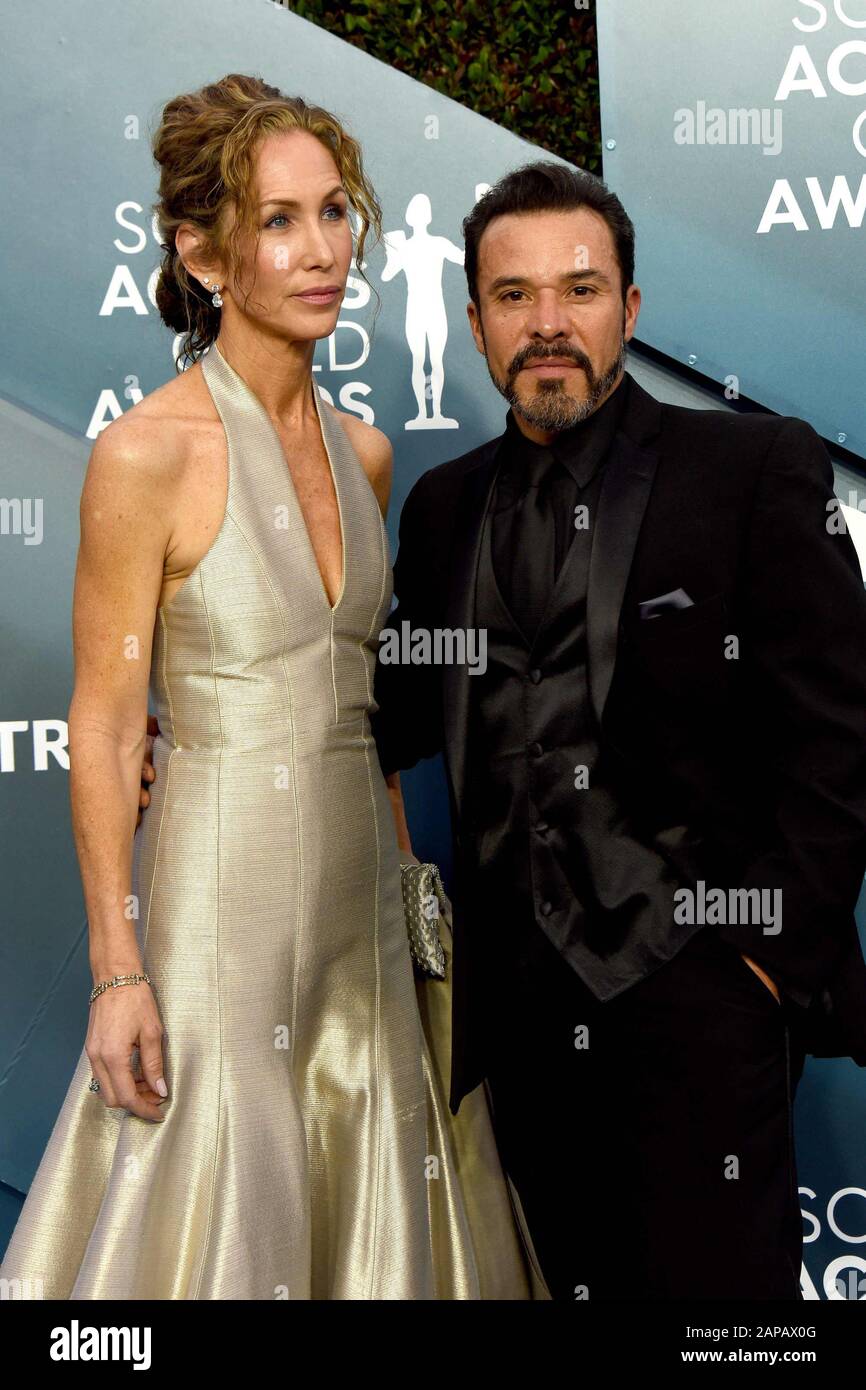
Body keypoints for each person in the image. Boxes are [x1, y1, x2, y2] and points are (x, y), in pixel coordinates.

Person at [0, 76, 546, 1301]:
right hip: (217, 884)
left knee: (372, 1175)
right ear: (201, 253)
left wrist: (412, 894)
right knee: (215, 1180)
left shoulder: (366, 450)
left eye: (334, 212)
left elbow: (358, 702)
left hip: (363, 881)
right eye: (278, 221)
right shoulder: (146, 452)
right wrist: (117, 967)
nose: (322, 252)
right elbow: (102, 718)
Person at [368, 161, 866, 1300]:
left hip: (698, 987)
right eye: (512, 296)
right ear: (475, 322)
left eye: (579, 291)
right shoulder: (443, 508)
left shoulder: (746, 467)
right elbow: (391, 702)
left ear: (629, 311)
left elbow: (837, 727)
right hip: (516, 1019)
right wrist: (187, 729)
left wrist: (764, 962)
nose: (547, 325)